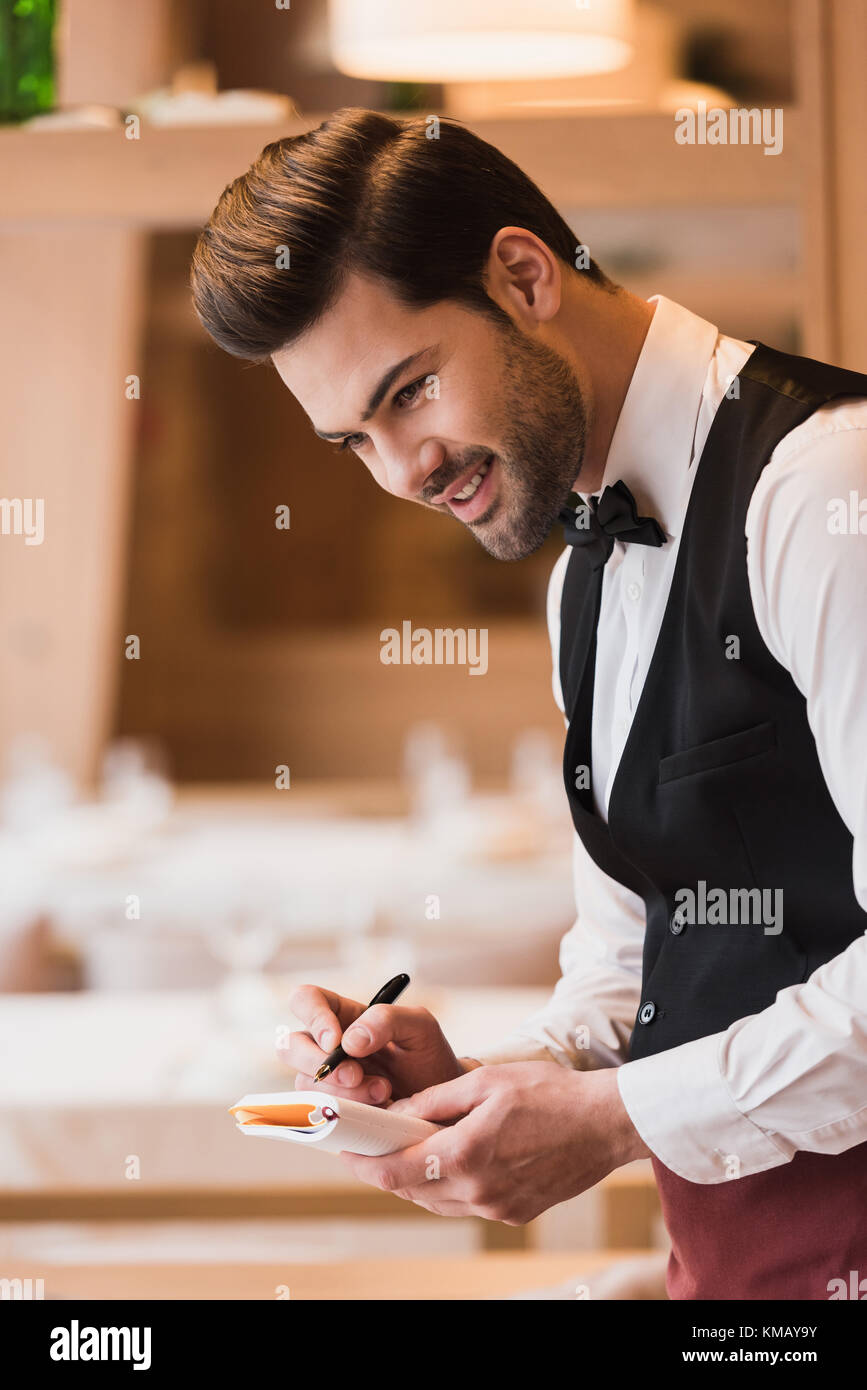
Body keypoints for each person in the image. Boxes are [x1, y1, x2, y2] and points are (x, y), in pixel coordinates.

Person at [191, 109, 867, 1299]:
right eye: (355, 439)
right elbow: (636, 971)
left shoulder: (826, 493)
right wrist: (476, 1085)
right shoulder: (583, 585)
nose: (403, 470)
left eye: (410, 392)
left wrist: (607, 1119)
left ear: (522, 273)